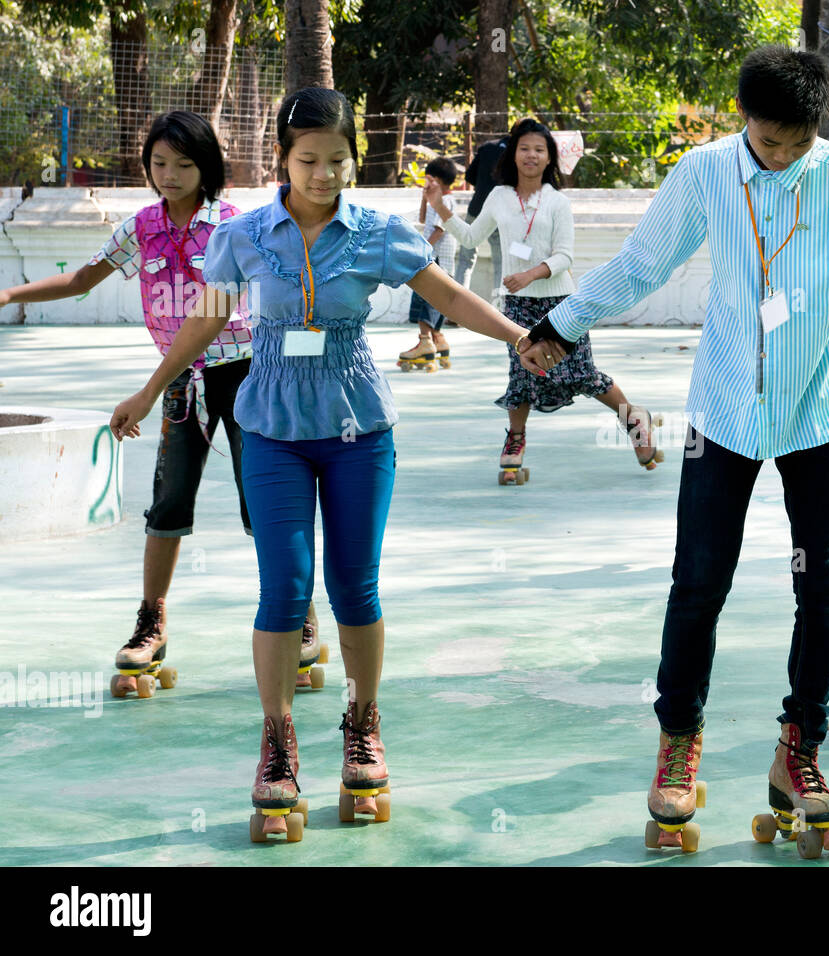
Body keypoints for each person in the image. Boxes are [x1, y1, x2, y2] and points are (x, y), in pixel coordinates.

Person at [522, 46, 829, 857]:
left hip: (819, 413)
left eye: (799, 143)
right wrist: (563, 323)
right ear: (744, 121)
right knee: (699, 582)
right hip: (724, 410)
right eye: (770, 144)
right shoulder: (703, 176)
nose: (785, 158)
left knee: (825, 590)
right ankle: (679, 741)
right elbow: (639, 266)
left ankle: (798, 750)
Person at [107, 88, 545, 842]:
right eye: (308, 160)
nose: (322, 174)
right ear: (282, 157)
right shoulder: (243, 235)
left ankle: (362, 723)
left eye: (337, 160)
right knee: (283, 587)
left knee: (354, 586)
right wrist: (151, 390)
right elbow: (207, 316)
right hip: (271, 429)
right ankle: (277, 740)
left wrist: (519, 338)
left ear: (352, 159)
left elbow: (443, 292)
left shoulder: (374, 232)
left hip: (357, 430)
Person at [0, 111, 320, 698]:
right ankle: (152, 622)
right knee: (167, 503)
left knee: (265, 505)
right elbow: (80, 281)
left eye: (183, 164)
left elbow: (289, 281)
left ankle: (296, 612)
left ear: (208, 167)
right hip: (181, 378)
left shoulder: (235, 223)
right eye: (158, 163)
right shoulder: (141, 227)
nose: (168, 175)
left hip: (253, 375)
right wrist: (11, 292)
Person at [428, 117, 663, 483]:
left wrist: (530, 274)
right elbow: (473, 238)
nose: (531, 155)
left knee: (581, 373)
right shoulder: (500, 197)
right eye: (525, 148)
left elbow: (564, 256)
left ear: (550, 157)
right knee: (522, 375)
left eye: (539, 149)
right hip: (518, 307)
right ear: (513, 154)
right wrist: (443, 211)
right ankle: (515, 440)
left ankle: (633, 418)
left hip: (564, 305)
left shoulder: (556, 201)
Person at [398, 157, 459, 370]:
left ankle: (425, 340)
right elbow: (424, 219)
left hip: (437, 257)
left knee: (427, 297)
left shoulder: (446, 202)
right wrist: (424, 198)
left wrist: (422, 248)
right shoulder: (434, 200)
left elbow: (439, 230)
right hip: (433, 255)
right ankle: (438, 339)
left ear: (440, 181)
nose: (426, 182)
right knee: (433, 298)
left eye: (429, 179)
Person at [453, 134, 509, 296]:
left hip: (476, 207)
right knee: (500, 262)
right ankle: (501, 309)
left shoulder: (487, 147)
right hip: (500, 212)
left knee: (465, 259)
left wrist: (484, 186)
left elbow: (469, 176)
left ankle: (457, 309)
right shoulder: (517, 152)